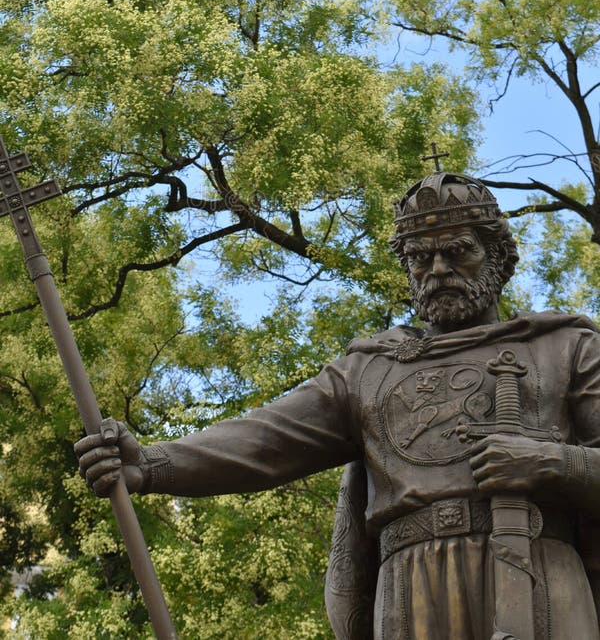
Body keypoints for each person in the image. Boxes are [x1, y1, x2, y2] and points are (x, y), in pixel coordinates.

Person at [76, 171, 600, 639]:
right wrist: (151, 463)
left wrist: (553, 462)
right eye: (420, 258)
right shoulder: (370, 369)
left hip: (537, 569)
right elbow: (265, 440)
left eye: (458, 250)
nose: (438, 268)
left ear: (499, 257)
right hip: (410, 589)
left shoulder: (565, 347)